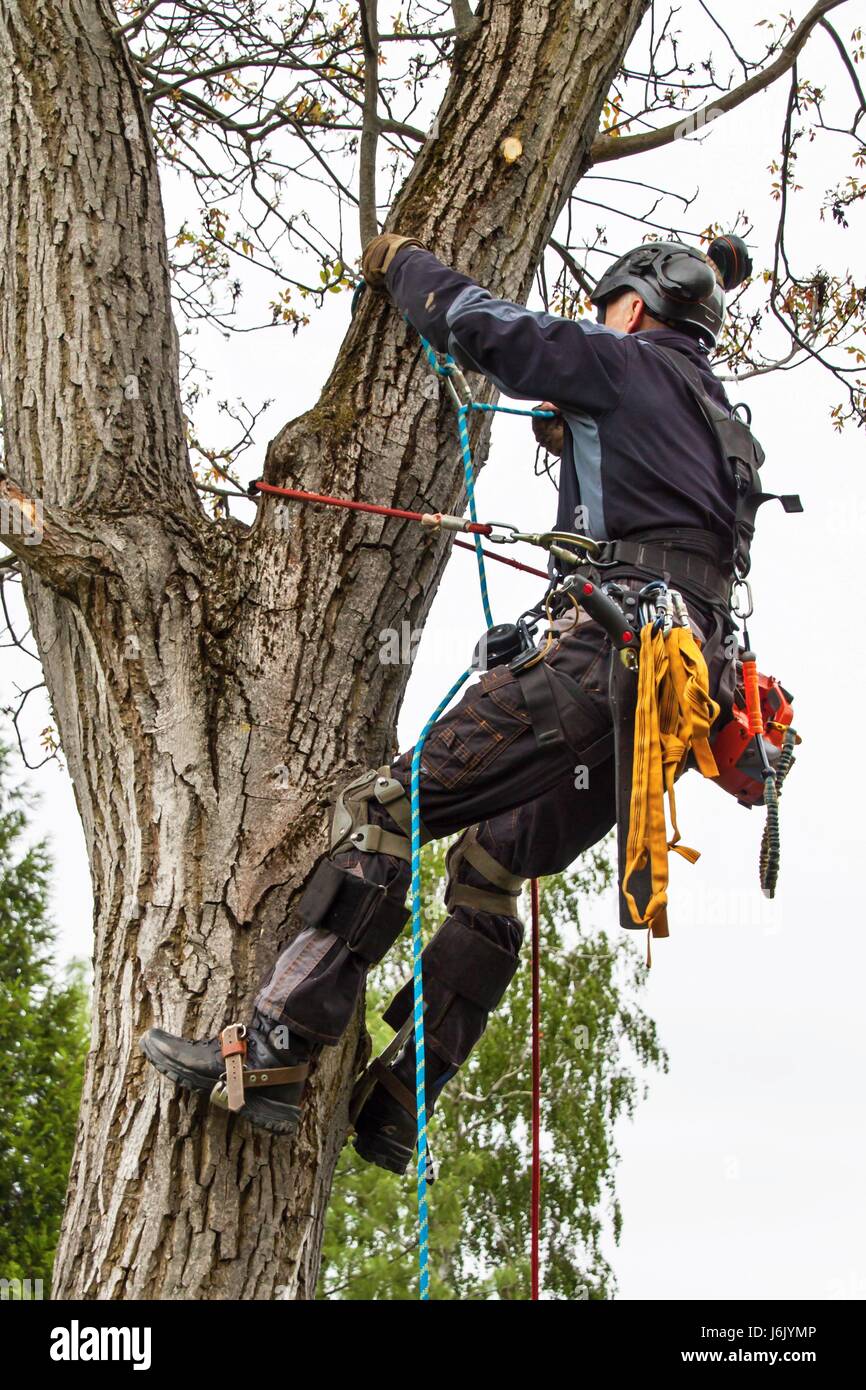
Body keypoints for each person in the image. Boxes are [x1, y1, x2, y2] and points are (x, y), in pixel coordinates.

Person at [141, 233, 754, 1172]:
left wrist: (406, 267)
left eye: (605, 312)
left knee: (393, 806)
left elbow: (486, 329)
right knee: (490, 869)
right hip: (673, 706)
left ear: (633, 309)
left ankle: (277, 1051)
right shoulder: (723, 420)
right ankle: (398, 1102)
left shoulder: (619, 361)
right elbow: (658, 517)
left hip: (608, 661)